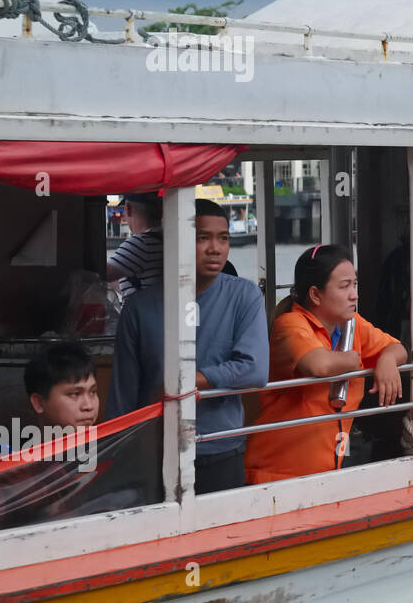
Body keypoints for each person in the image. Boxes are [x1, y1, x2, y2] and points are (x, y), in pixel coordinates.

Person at [107, 199, 268, 493]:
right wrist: (117, 459)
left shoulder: (245, 296)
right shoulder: (139, 307)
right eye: (202, 238)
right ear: (177, 240)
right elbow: (123, 394)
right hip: (155, 450)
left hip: (221, 447)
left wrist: (194, 381)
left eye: (223, 238)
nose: (215, 248)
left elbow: (255, 369)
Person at [244, 245, 407, 483]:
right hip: (278, 473)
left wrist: (388, 360)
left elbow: (398, 348)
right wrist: (353, 359)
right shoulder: (290, 324)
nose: (355, 295)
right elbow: (318, 365)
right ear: (315, 295)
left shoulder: (352, 324)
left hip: (331, 468)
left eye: (355, 285)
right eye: (344, 286)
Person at [25, 341, 99, 431]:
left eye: (93, 392)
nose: (89, 406)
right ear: (39, 403)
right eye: (75, 394)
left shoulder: (112, 444)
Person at [106, 192, 163, 300]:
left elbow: (102, 273)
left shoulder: (141, 243)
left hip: (142, 315)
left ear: (128, 209)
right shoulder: (165, 239)